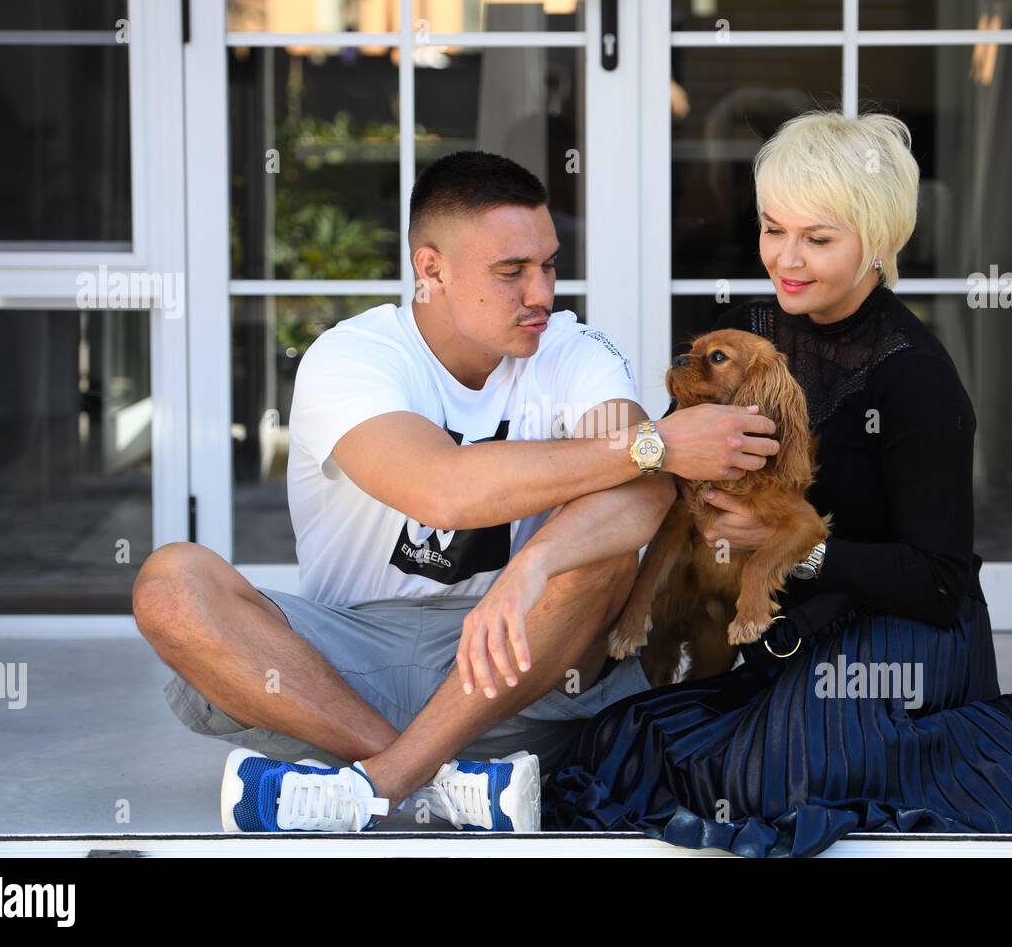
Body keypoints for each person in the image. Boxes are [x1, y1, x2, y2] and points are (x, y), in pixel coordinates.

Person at [540, 110, 1012, 856]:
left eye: (819, 237)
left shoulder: (915, 376)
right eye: (775, 228)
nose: (787, 258)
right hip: (798, 632)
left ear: (876, 240)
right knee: (616, 745)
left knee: (788, 780)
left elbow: (939, 581)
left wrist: (790, 552)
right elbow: (675, 465)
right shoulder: (745, 340)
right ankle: (867, 732)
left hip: (909, 628)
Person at [132, 150, 782, 832]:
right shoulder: (354, 357)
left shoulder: (576, 350)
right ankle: (438, 781)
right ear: (431, 269)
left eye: (549, 265)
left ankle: (375, 783)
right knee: (170, 582)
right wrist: (658, 444)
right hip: (345, 669)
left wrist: (532, 567)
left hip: (522, 667)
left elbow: (642, 497)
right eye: (511, 272)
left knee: (604, 546)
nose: (541, 294)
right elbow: (440, 490)